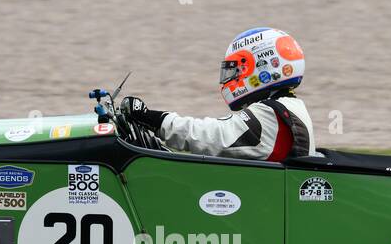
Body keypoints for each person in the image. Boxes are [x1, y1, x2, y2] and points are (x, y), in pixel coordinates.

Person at [119, 27, 316, 161]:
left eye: (234, 70)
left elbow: (211, 136)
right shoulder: (290, 108)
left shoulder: (270, 114)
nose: (229, 78)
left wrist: (153, 119)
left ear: (261, 67)